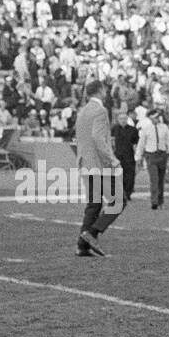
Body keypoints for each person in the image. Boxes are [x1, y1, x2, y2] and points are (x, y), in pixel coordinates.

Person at [74, 80, 122, 257]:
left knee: (94, 204)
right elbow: (98, 138)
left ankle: (82, 246)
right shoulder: (100, 111)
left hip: (85, 162)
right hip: (99, 164)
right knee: (118, 200)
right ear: (100, 90)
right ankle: (91, 234)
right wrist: (112, 160)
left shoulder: (83, 111)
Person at [137, 108, 169, 210]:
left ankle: (160, 201)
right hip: (151, 155)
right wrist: (138, 156)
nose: (157, 119)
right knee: (154, 179)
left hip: (162, 155)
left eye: (158, 117)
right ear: (151, 118)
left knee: (161, 180)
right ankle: (154, 201)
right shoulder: (146, 129)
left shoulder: (164, 127)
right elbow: (141, 144)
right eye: (155, 118)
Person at [112, 109, 139, 207]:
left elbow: (136, 144)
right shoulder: (114, 129)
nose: (123, 120)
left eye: (124, 119)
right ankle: (120, 194)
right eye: (121, 119)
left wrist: (137, 156)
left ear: (127, 119)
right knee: (118, 176)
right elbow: (110, 142)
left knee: (130, 176)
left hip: (129, 156)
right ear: (118, 119)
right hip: (117, 156)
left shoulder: (133, 130)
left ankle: (128, 194)